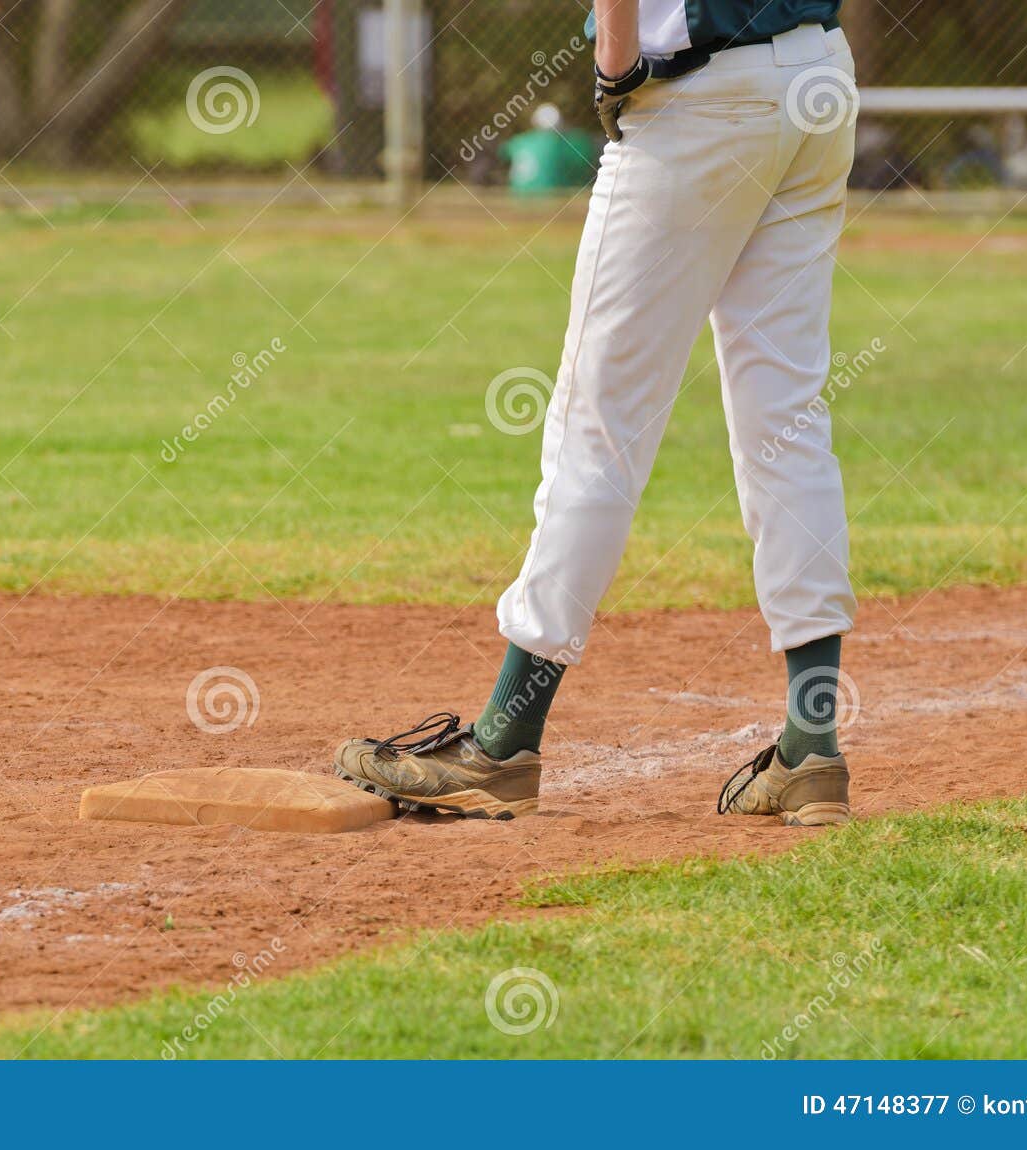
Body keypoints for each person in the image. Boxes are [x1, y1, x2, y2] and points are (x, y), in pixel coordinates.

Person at [335, 1, 858, 827]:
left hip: (700, 93)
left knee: (599, 423)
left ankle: (506, 738)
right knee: (787, 416)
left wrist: (614, 70)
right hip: (818, 80)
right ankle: (812, 742)